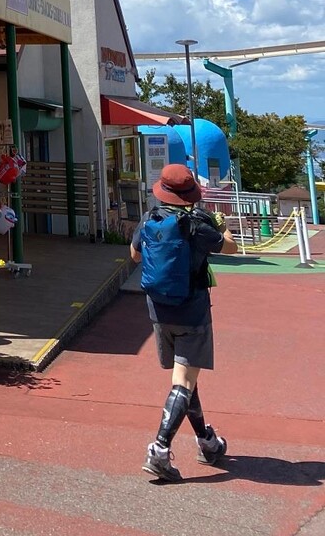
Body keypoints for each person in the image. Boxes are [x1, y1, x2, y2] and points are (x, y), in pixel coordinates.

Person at [130, 162, 238, 482]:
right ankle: (159, 449)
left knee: (185, 378)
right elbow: (229, 247)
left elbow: (135, 255)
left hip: (159, 311)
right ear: (190, 193)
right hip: (192, 312)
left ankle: (207, 441)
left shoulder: (150, 218)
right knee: (183, 382)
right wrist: (221, 224)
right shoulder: (198, 223)